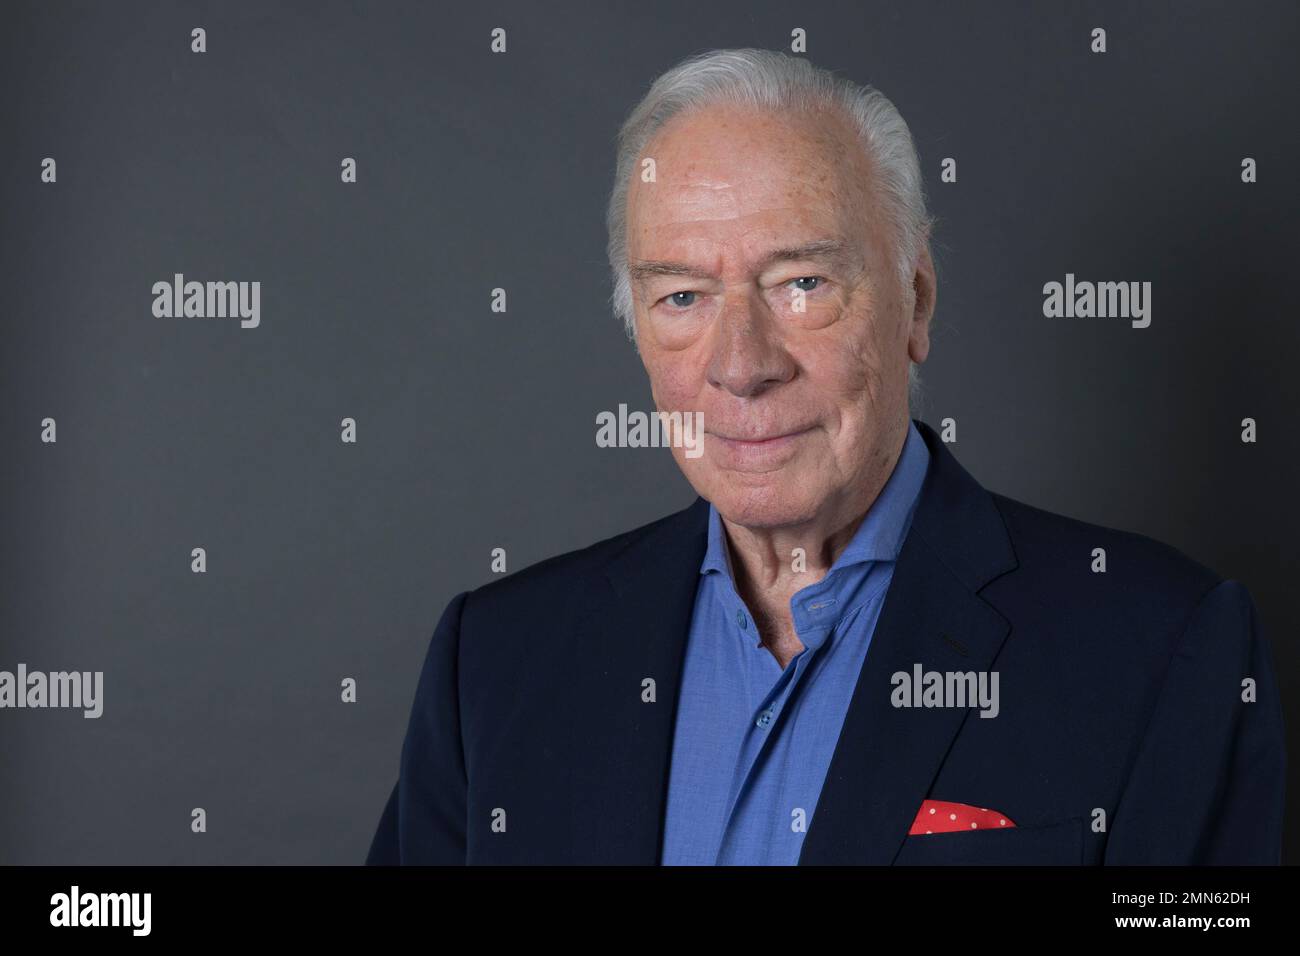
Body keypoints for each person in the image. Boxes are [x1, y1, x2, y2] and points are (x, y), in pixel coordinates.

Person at [366, 48, 1285, 865]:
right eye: (681, 296)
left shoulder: (1161, 649)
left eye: (802, 283)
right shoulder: (494, 665)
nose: (742, 366)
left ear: (915, 301)